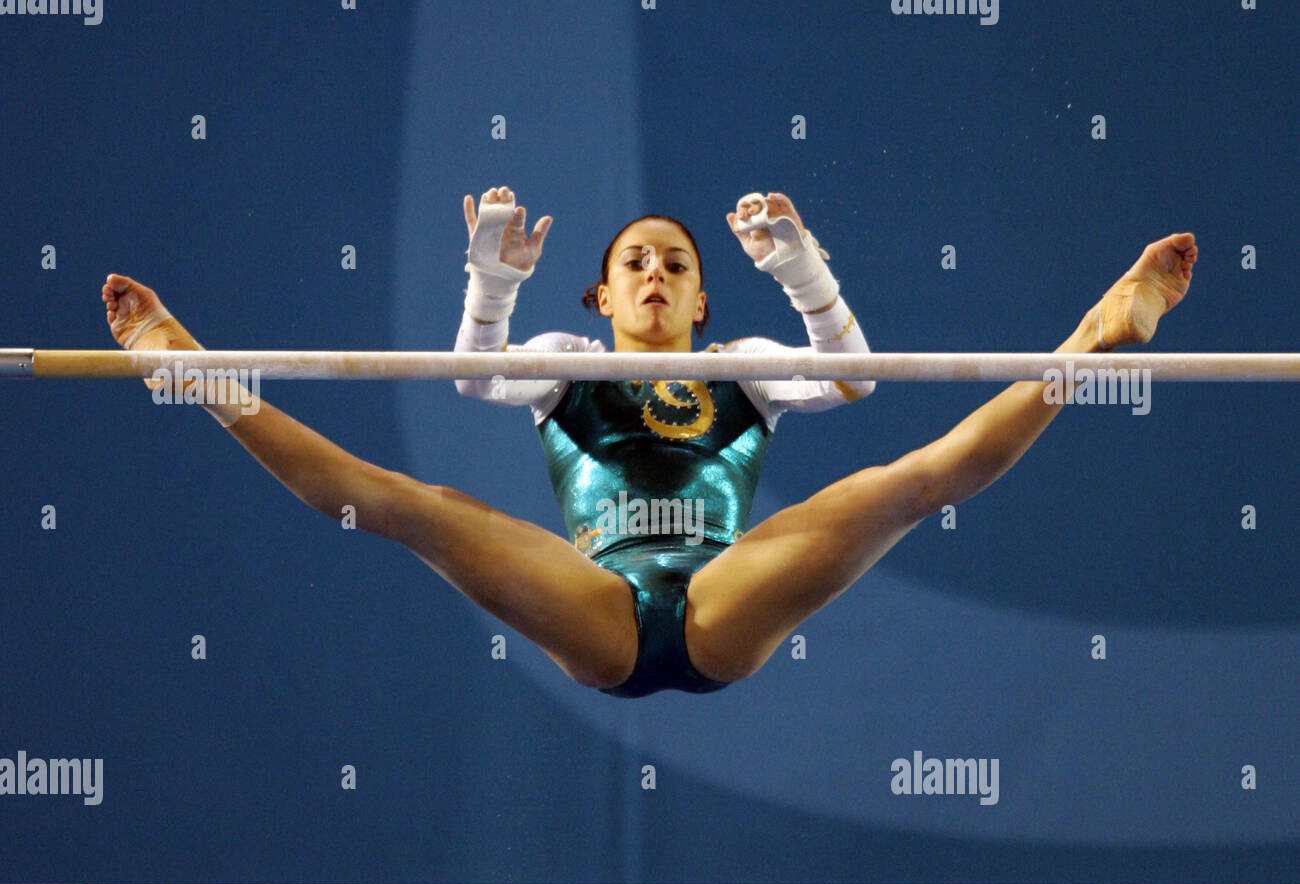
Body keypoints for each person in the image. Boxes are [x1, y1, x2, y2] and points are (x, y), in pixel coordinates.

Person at [101, 186, 1196, 698]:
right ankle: (193, 371)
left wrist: (804, 275)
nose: (658, 272)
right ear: (601, 289)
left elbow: (855, 375)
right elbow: (474, 374)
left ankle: (1094, 335)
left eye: (676, 262)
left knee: (910, 482)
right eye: (637, 260)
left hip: (723, 595)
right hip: (601, 605)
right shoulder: (563, 355)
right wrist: (489, 287)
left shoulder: (746, 358)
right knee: (402, 505)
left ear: (706, 298)